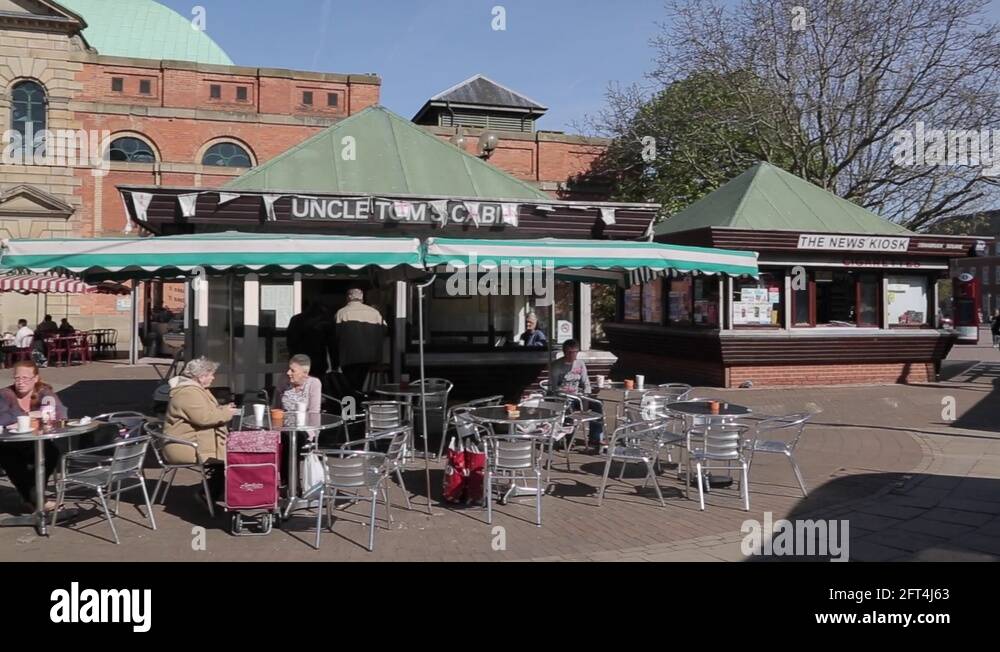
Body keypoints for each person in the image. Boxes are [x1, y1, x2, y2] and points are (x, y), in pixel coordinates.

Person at [163, 357, 239, 499]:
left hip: (193, 442)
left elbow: (207, 412)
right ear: (201, 376)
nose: (213, 377)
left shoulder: (196, 390)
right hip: (184, 446)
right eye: (211, 374)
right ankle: (207, 494)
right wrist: (226, 413)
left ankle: (214, 491)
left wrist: (223, 409)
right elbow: (204, 419)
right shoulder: (188, 393)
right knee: (232, 460)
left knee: (230, 457)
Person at [0, 360, 69, 512]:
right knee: (6, 455)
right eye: (17, 378)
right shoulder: (5, 394)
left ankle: (31, 498)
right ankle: (36, 499)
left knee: (51, 452)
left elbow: (60, 413)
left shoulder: (44, 392)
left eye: (26, 378)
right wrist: (30, 414)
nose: (21, 382)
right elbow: (1, 418)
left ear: (36, 378)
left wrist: (19, 417)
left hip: (37, 442)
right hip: (11, 443)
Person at [548, 339, 603, 447]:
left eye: (575, 352)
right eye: (569, 353)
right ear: (564, 352)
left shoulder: (580, 364)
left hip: (578, 396)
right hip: (564, 397)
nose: (572, 355)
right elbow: (554, 388)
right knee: (569, 408)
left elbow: (586, 382)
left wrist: (587, 396)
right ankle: (567, 438)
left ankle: (595, 437)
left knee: (598, 404)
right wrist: (564, 394)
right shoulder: (556, 366)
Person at [335, 289, 386, 392]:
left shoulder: (341, 313)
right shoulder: (374, 312)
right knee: (364, 384)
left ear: (349, 297)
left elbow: (336, 335)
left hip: (349, 357)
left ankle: (351, 407)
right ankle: (360, 404)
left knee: (350, 385)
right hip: (370, 356)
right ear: (362, 297)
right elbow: (384, 331)